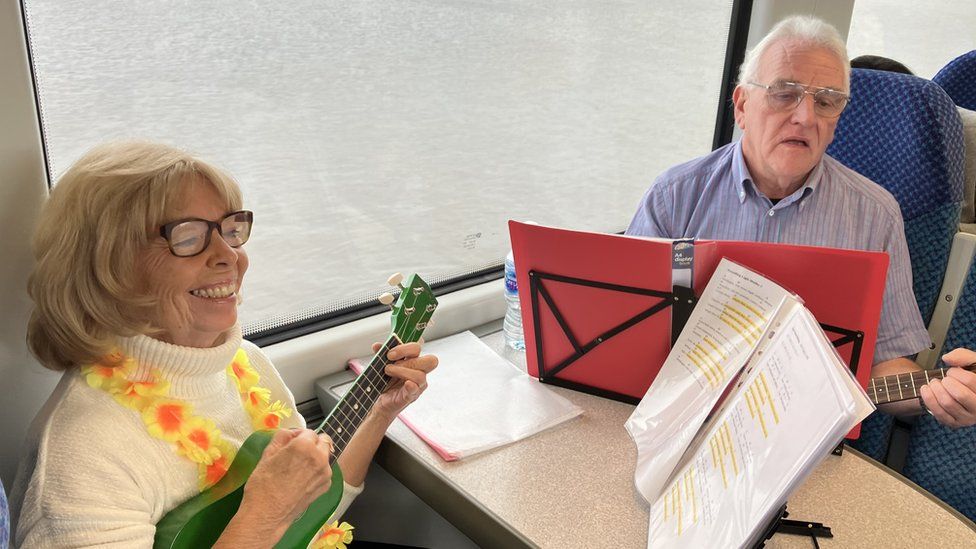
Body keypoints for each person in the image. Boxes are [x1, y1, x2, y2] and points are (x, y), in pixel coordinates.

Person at [9, 141, 438, 547]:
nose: (229, 256)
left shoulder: (244, 363)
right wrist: (266, 511)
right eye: (188, 236)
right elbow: (279, 511)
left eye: (230, 230)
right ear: (109, 264)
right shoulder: (84, 451)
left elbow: (307, 515)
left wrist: (380, 412)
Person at [626, 15, 976, 428]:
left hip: (803, 437)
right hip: (678, 422)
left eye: (826, 101)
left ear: (837, 119)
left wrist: (937, 395)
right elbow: (631, 335)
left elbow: (885, 364)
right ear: (741, 105)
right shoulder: (675, 195)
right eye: (784, 93)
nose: (806, 117)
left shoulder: (876, 213)